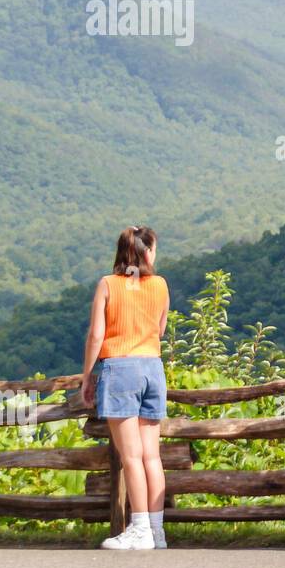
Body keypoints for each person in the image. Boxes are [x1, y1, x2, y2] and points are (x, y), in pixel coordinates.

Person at [81, 226, 170, 550]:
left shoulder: (108, 285)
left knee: (130, 457)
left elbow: (95, 336)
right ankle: (156, 532)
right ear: (146, 253)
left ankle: (139, 529)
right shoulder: (160, 285)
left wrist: (87, 377)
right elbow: (159, 329)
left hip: (120, 367)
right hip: (152, 368)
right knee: (151, 458)